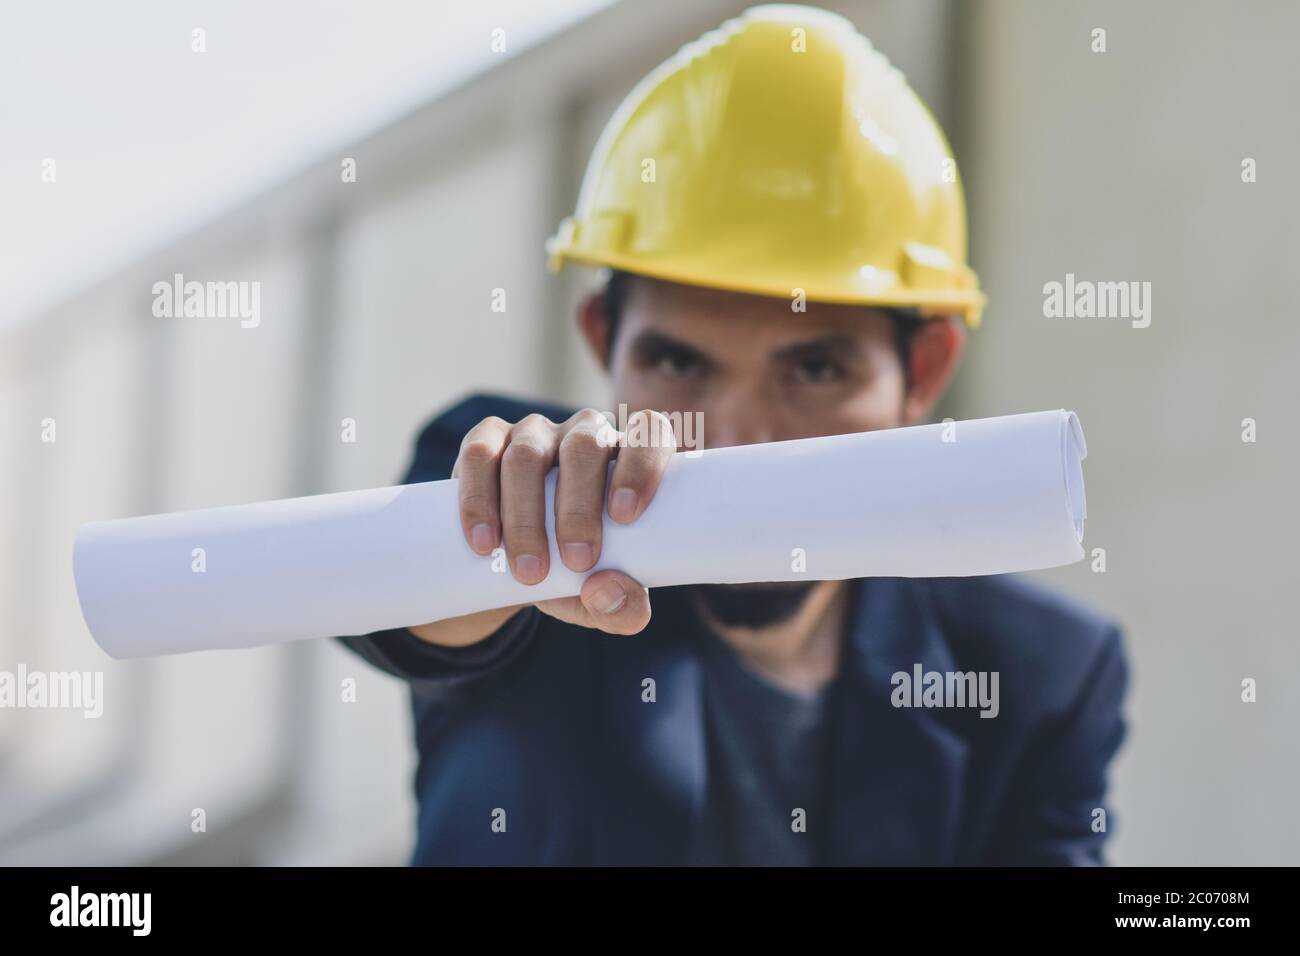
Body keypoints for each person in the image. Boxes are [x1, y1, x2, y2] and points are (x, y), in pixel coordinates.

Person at [338, 4, 1128, 866]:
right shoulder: (537, 513)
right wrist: (499, 538)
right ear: (604, 342)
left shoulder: (1043, 675)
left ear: (926, 370)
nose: (740, 438)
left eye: (815, 370)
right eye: (680, 364)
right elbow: (399, 598)